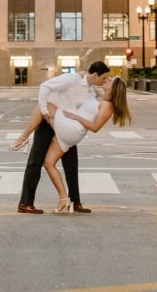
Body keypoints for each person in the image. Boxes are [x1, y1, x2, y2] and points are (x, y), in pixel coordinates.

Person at [17, 61, 109, 215]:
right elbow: (45, 86)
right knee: (36, 161)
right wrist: (44, 110)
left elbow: (107, 97)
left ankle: (75, 202)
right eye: (104, 78)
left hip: (67, 126)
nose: (105, 81)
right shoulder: (71, 79)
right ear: (95, 75)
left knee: (71, 165)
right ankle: (25, 203)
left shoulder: (92, 90)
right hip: (49, 122)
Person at [43, 76, 130, 213]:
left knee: (45, 103)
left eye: (110, 80)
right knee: (48, 163)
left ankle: (22, 138)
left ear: (114, 88)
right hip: (70, 130)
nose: (107, 79)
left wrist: (76, 117)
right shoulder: (100, 96)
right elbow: (86, 84)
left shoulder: (108, 105)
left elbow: (95, 127)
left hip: (73, 127)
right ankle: (63, 198)